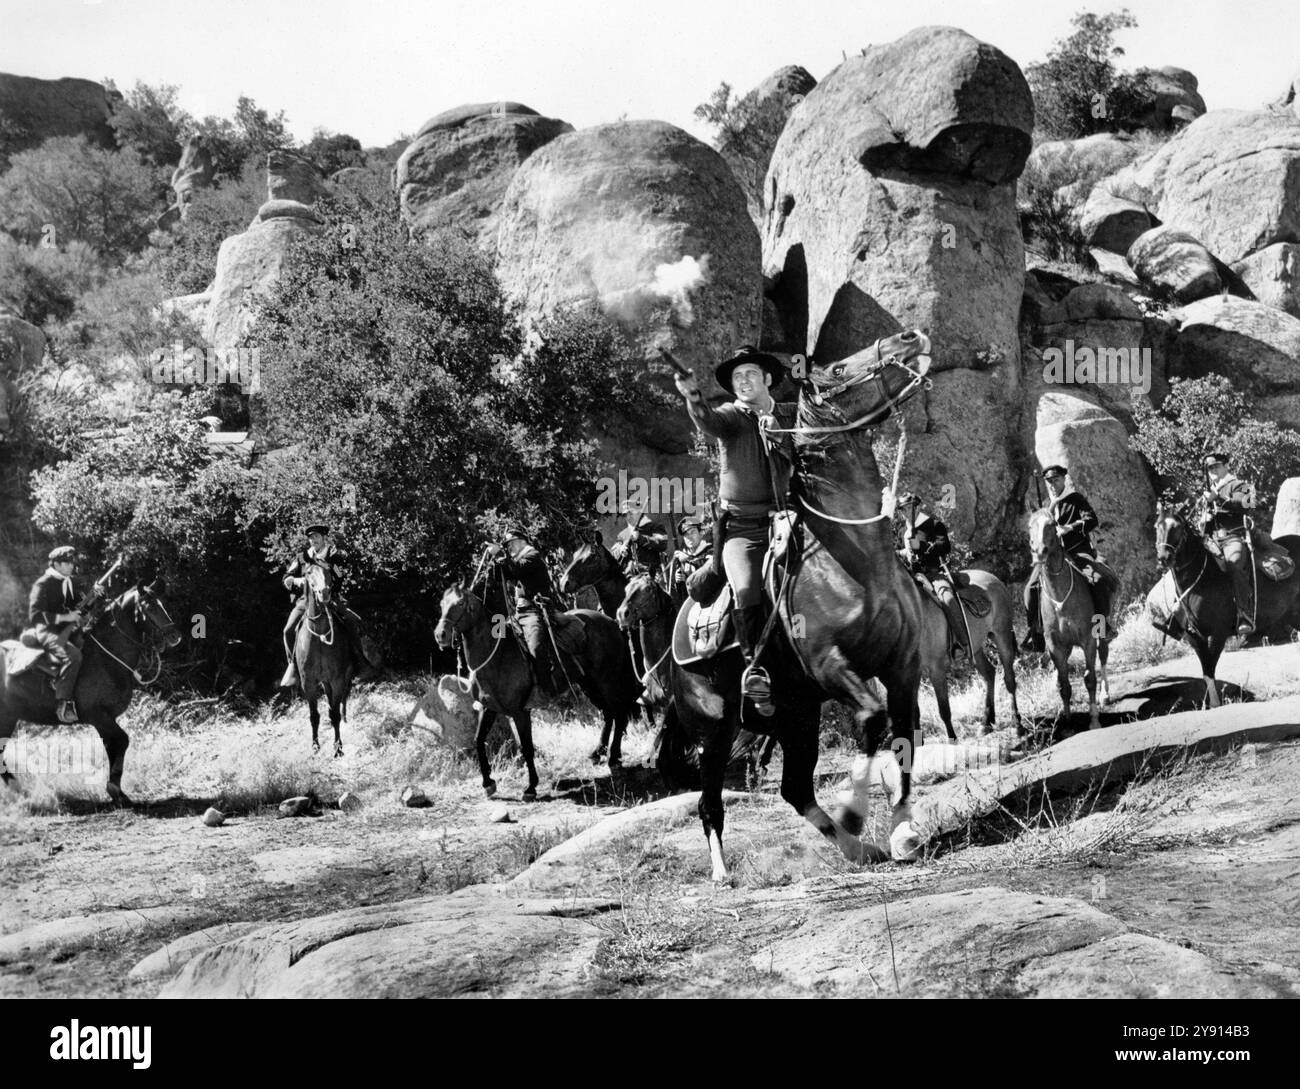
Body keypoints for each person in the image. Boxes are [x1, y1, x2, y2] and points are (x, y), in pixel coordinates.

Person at [674, 345, 796, 715]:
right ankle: (755, 668)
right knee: (745, 588)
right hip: (742, 531)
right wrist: (693, 396)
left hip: (790, 521)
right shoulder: (729, 417)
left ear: (768, 379)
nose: (743, 382)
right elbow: (706, 420)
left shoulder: (792, 414)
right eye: (737, 377)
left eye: (750, 375)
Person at [1199, 452, 1293, 637]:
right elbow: (1206, 521)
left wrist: (1217, 498)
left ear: (1226, 466)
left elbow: (1247, 503)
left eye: (1216, 466)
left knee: (1234, 565)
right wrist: (1205, 517)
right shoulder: (1209, 492)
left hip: (1234, 537)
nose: (1213, 471)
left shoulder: (1240, 485)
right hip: (1212, 540)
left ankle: (1245, 615)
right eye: (1209, 469)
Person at [1023, 465, 1115, 652]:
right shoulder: (1047, 506)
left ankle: (1102, 626)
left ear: (1064, 479)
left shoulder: (1075, 499)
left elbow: (1091, 520)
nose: (1052, 484)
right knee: (1030, 589)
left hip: (1076, 551)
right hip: (1053, 557)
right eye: (1049, 482)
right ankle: (1035, 633)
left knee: (1097, 581)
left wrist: (1069, 528)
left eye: (1056, 480)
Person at [280, 524, 381, 687]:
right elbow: (288, 576)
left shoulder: (334, 556)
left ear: (324, 538)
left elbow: (340, 576)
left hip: (329, 598)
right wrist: (293, 581)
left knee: (350, 622)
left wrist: (327, 585)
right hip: (306, 601)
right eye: (311, 538)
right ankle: (293, 666)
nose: (314, 540)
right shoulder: (302, 557)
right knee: (288, 630)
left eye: (317, 537)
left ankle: (359, 662)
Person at [485, 525, 570, 696]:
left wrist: (500, 555)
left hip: (535, 609)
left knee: (536, 648)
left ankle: (546, 690)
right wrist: (495, 562)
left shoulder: (532, 555)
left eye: (512, 544)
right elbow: (502, 574)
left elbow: (516, 570)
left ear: (523, 542)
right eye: (507, 545)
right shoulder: (514, 561)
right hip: (517, 611)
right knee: (497, 636)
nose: (509, 547)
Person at [28, 546, 99, 723]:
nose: (72, 566)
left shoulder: (69, 581)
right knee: (74, 656)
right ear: (57, 564)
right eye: (68, 563)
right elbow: (35, 615)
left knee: (93, 647)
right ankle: (63, 704)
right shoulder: (43, 583)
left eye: (72, 563)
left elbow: (79, 609)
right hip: (46, 633)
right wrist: (66, 616)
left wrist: (94, 597)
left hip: (66, 631)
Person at [896, 494, 967, 661]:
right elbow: (900, 551)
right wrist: (901, 553)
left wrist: (923, 547)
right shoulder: (901, 531)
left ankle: (960, 643)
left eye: (910, 507)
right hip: (910, 577)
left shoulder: (934, 525)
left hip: (932, 574)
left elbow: (945, 546)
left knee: (947, 599)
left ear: (919, 507)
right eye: (903, 509)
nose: (907, 512)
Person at [610, 499, 669, 582]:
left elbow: (663, 543)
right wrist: (620, 549)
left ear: (639, 513)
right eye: (625, 515)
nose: (628, 517)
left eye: (631, 513)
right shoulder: (622, 535)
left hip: (652, 574)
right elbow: (613, 552)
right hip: (630, 577)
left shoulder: (654, 527)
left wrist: (641, 538)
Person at [667, 514, 713, 597]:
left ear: (701, 533)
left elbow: (710, 571)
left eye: (693, 532)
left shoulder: (710, 550)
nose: (689, 537)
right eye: (686, 534)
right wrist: (679, 582)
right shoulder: (681, 557)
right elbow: (681, 596)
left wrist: (689, 559)